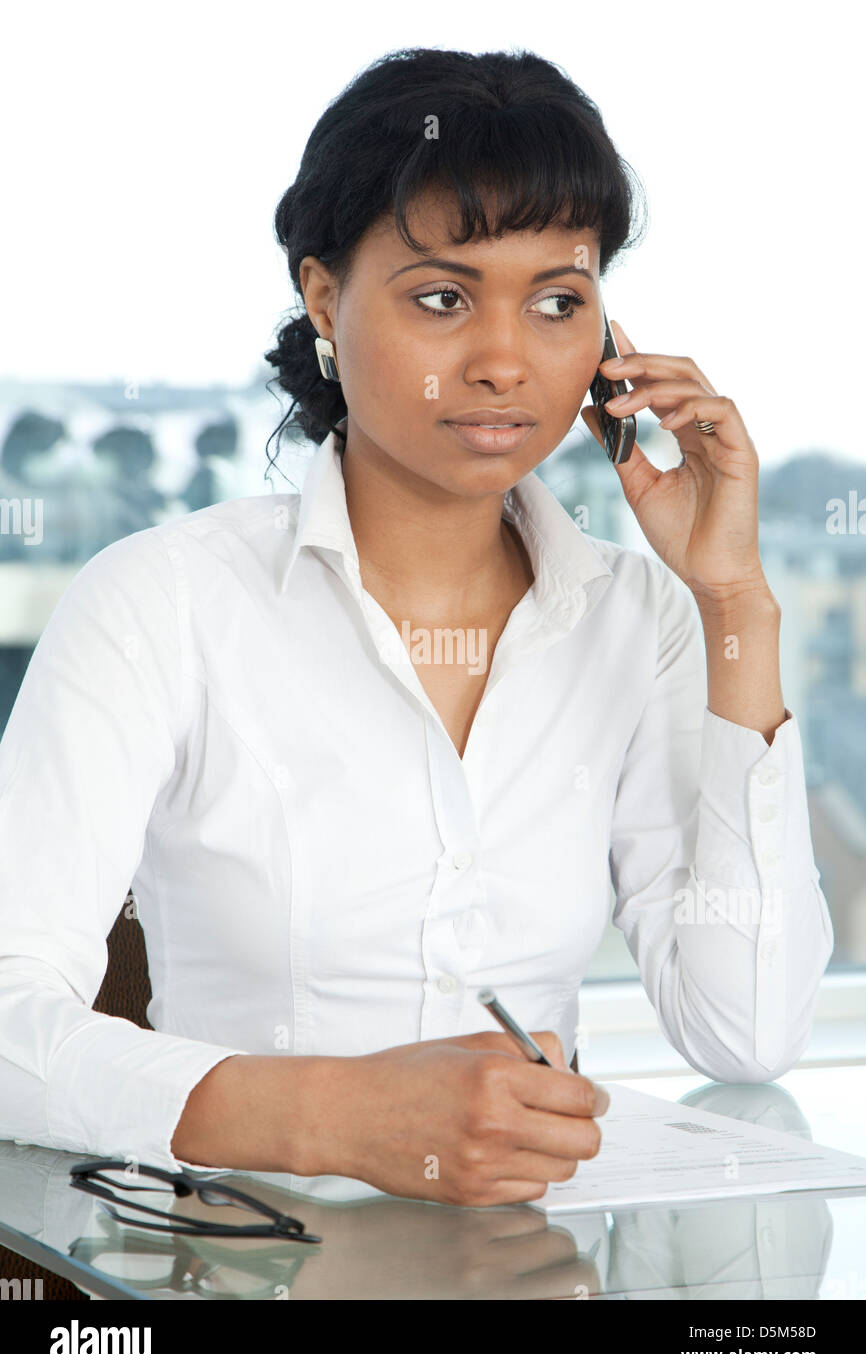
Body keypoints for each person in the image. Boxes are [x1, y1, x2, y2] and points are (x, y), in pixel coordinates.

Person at [0, 48, 832, 1210]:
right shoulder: (160, 602)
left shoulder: (638, 620)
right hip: (242, 1262)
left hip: (531, 1269)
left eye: (556, 301)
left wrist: (734, 603)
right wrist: (338, 1115)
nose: (501, 361)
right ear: (326, 300)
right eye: (442, 298)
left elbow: (742, 1030)